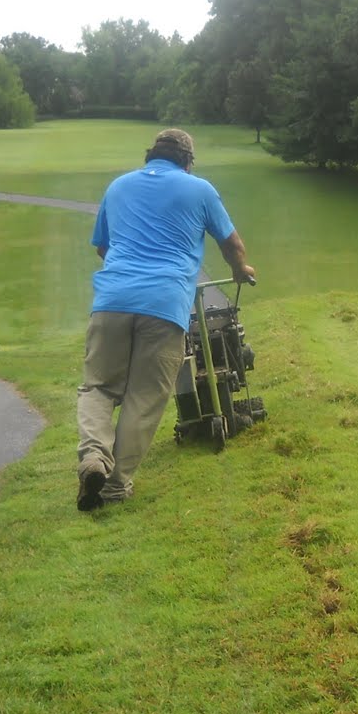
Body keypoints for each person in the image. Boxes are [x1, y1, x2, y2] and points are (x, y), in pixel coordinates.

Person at [76, 128, 255, 511]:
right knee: (145, 396)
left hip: (112, 300)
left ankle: (93, 458)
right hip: (165, 304)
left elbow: (103, 248)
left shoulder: (119, 186)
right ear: (188, 162)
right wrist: (240, 269)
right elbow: (232, 244)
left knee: (99, 387)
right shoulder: (199, 189)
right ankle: (116, 484)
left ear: (150, 155)